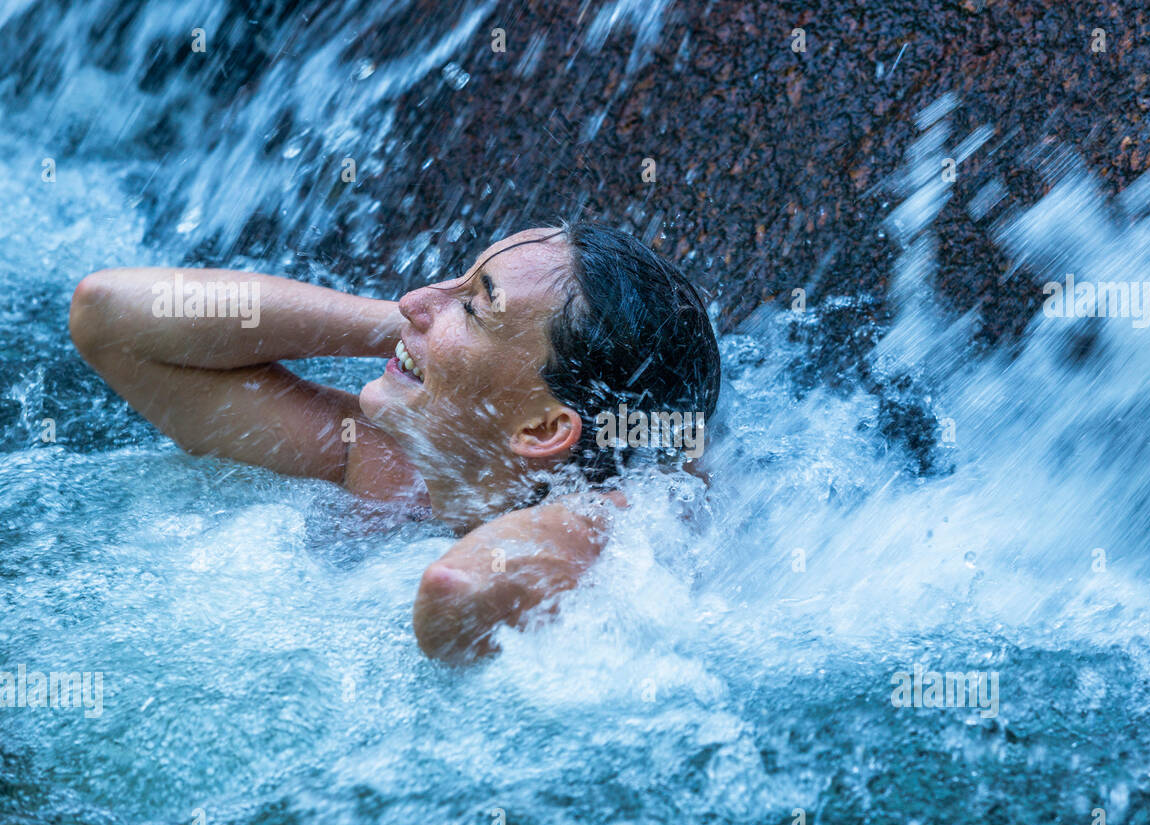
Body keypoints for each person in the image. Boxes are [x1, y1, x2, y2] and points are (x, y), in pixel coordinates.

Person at [68, 222, 721, 662]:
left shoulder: (635, 524)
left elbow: (454, 592)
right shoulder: (393, 464)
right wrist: (411, 334)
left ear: (542, 430)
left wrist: (437, 346)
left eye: (474, 305)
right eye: (460, 277)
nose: (414, 297)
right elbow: (107, 316)